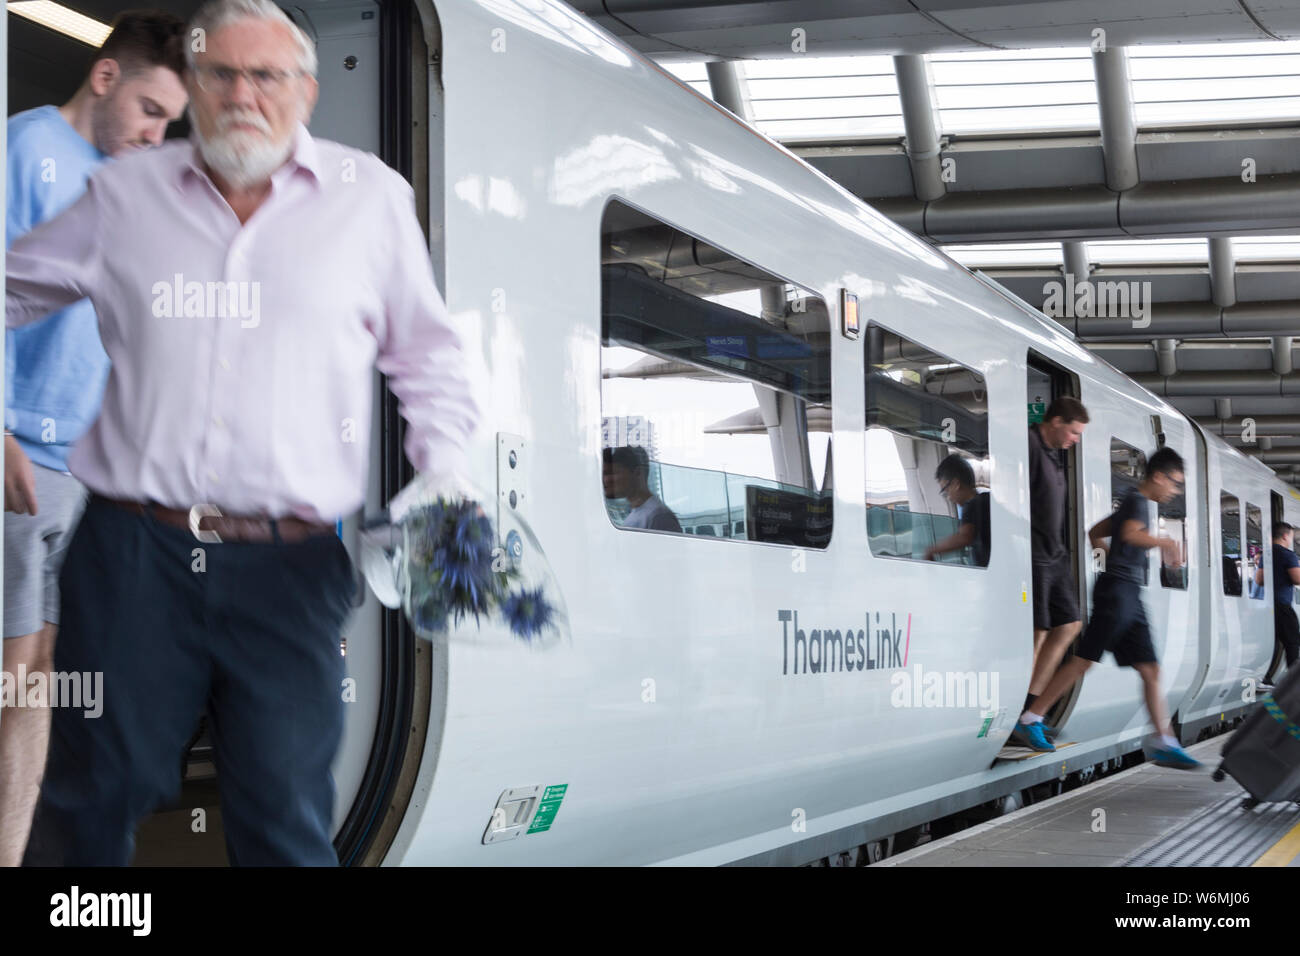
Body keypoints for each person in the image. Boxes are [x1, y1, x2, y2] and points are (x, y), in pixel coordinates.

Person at [8, 0, 478, 866]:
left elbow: (431, 361)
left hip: (289, 570)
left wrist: (441, 478)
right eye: (219, 74)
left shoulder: (369, 202)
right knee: (86, 806)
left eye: (265, 76)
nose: (241, 95)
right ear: (192, 86)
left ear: (305, 91)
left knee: (284, 817)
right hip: (128, 556)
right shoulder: (124, 196)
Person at [0, 11, 187, 868]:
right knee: (18, 675)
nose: (156, 136)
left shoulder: (127, 192)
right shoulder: (26, 147)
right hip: (17, 459)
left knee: (37, 680)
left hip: (77, 471)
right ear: (106, 79)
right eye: (151, 111)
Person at [1013, 448, 1199, 769]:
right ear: (1158, 476)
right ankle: (1031, 717)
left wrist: (1110, 557)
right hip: (1118, 593)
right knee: (1085, 660)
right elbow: (1128, 534)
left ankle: (1165, 741)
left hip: (1127, 592)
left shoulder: (1133, 502)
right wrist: (1166, 544)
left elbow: (1096, 533)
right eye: (1174, 483)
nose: (1175, 490)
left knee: (1150, 669)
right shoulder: (1138, 501)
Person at [1022, 396, 1088, 733]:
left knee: (1070, 624)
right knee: (1038, 630)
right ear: (1057, 421)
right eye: (1074, 433)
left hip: (1056, 553)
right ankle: (1022, 710)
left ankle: (1033, 704)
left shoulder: (1056, 455)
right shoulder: (1030, 446)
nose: (1075, 440)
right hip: (1033, 551)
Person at [923, 454, 989, 567]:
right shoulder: (988, 499)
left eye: (946, 490)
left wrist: (932, 550)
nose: (948, 497)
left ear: (956, 484)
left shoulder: (971, 505)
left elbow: (964, 537)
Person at [602, 446, 681, 532]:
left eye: (612, 473)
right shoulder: (644, 514)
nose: (605, 480)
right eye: (604, 474)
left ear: (638, 473)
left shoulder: (658, 517)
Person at [1272, 522, 1300, 669]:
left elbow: (1259, 579)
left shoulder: (1267, 554)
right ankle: (1293, 678)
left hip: (1269, 606)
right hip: (1282, 605)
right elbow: (1297, 579)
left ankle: (1267, 677)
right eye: (1291, 537)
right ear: (1285, 536)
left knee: (1274, 638)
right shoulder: (1288, 555)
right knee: (1293, 641)